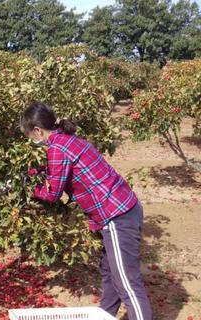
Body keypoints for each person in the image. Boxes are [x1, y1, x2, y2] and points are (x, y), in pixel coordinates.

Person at [21, 102, 152, 320]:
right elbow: (55, 171)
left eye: (30, 135)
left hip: (116, 216)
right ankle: (106, 315)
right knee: (110, 274)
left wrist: (29, 188)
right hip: (120, 209)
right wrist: (33, 172)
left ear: (37, 130)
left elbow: (53, 193)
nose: (31, 140)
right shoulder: (68, 139)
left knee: (128, 284)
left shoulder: (57, 148)